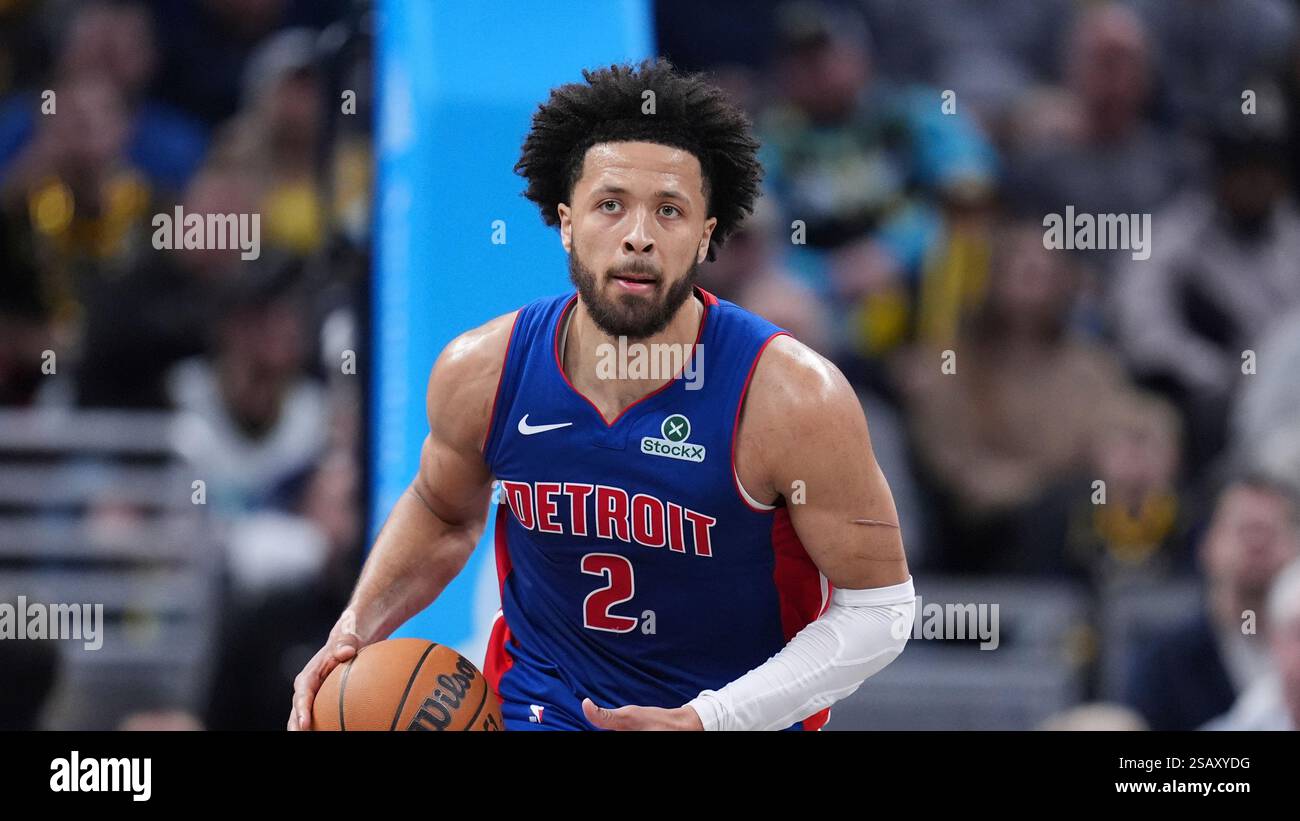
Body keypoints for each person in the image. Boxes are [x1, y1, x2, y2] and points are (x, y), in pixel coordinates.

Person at [289, 58, 915, 732]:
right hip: (540, 707)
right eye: (610, 204)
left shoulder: (790, 397)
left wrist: (709, 717)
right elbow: (444, 513)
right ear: (565, 220)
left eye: (669, 211)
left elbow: (879, 609)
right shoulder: (484, 371)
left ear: (707, 234)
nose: (638, 235)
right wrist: (355, 626)